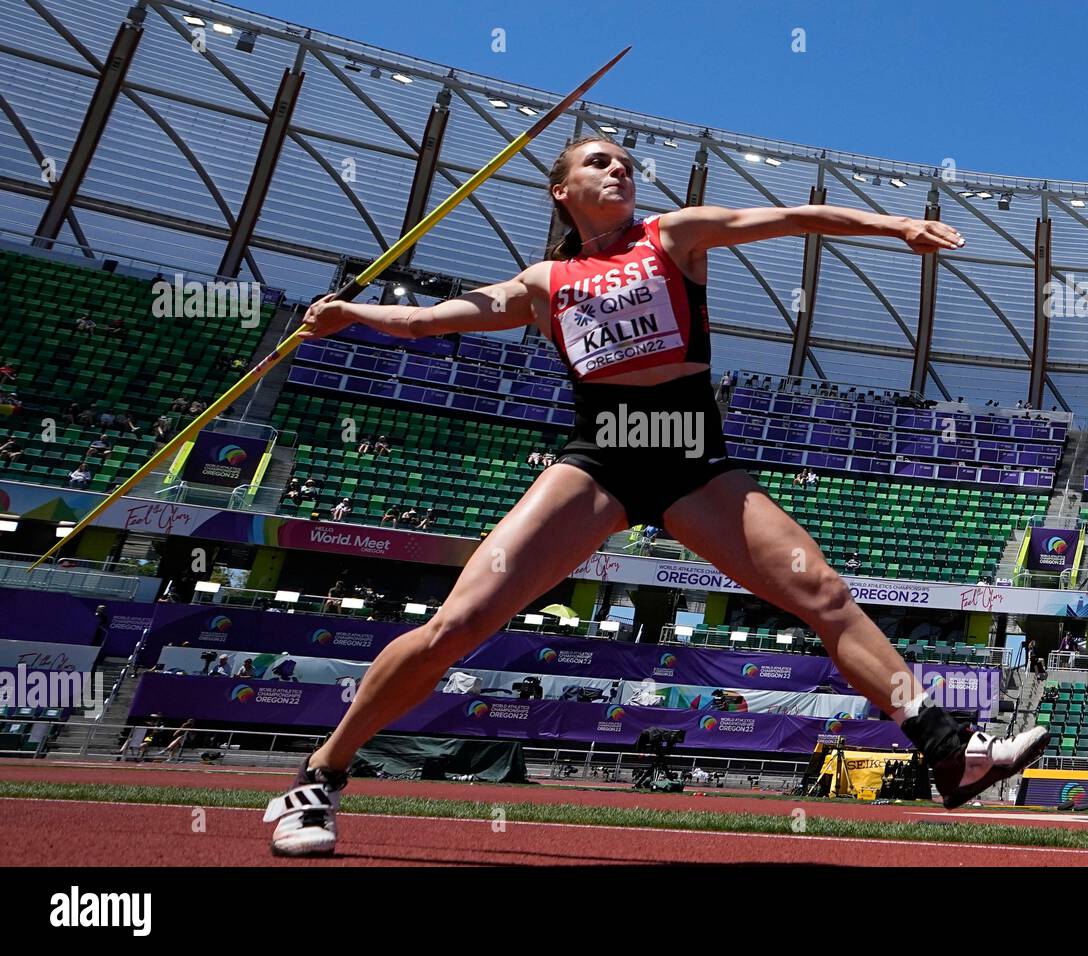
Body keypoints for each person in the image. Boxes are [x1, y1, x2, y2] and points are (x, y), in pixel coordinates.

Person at [263, 135, 1044, 857]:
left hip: (691, 458)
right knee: (458, 623)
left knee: (823, 593)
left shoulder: (673, 235)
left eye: (625, 164)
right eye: (598, 163)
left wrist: (897, 225)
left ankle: (947, 749)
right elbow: (434, 320)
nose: (619, 171)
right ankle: (320, 774)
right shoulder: (544, 281)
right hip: (601, 459)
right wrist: (349, 313)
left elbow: (786, 216)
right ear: (560, 190)